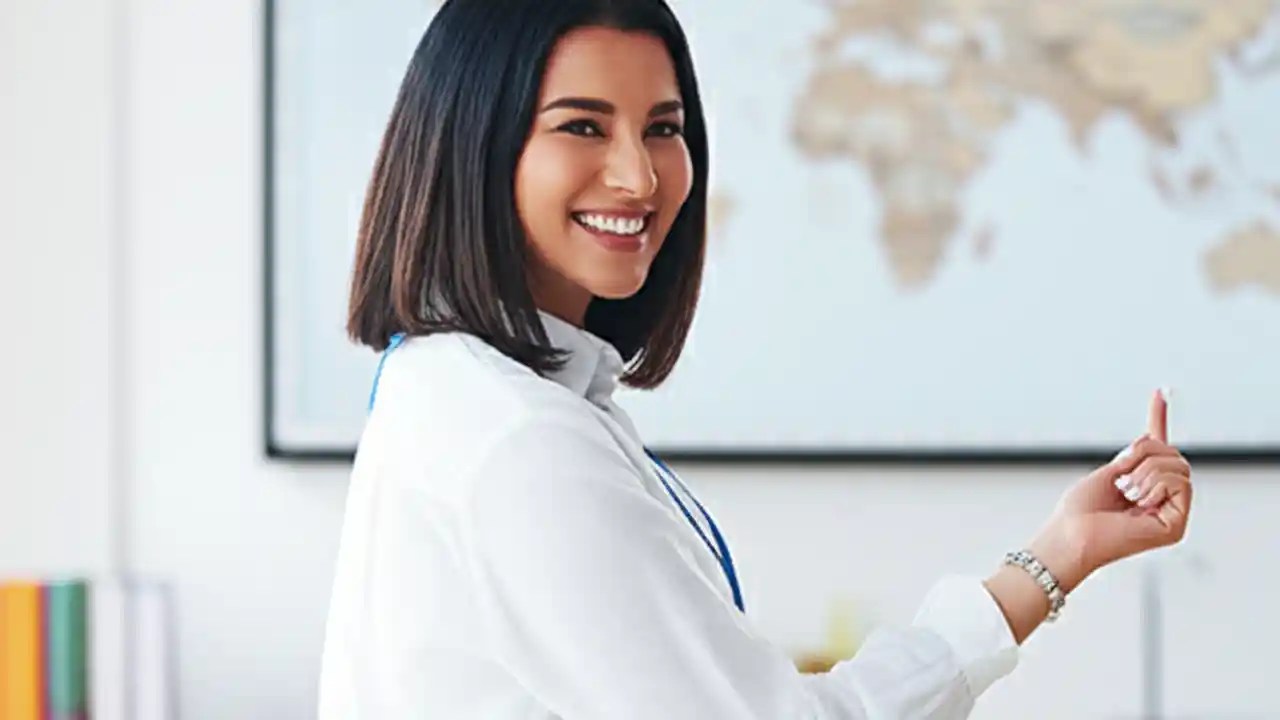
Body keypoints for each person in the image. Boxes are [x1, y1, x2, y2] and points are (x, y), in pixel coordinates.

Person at [317, 0, 1195, 717]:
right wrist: (1046, 569)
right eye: (583, 127)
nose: (640, 177)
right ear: (473, 147)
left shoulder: (450, 386)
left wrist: (1063, 548)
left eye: (663, 128)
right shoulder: (518, 442)